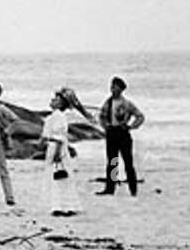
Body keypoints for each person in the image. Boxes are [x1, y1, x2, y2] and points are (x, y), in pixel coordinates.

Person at [42, 88, 95, 216]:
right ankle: (61, 205)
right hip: (53, 145)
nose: (52, 100)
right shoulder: (54, 116)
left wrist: (57, 153)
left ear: (60, 104)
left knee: (59, 176)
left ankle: (62, 206)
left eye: (56, 100)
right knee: (58, 176)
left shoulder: (59, 117)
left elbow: (59, 136)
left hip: (57, 147)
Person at [98, 76, 145, 196]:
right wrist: (106, 126)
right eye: (111, 87)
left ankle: (133, 189)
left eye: (115, 87)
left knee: (128, 162)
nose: (112, 89)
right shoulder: (107, 103)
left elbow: (140, 116)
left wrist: (131, 126)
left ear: (121, 89)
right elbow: (101, 117)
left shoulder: (127, 103)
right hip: (111, 133)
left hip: (123, 133)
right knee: (112, 162)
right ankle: (110, 188)